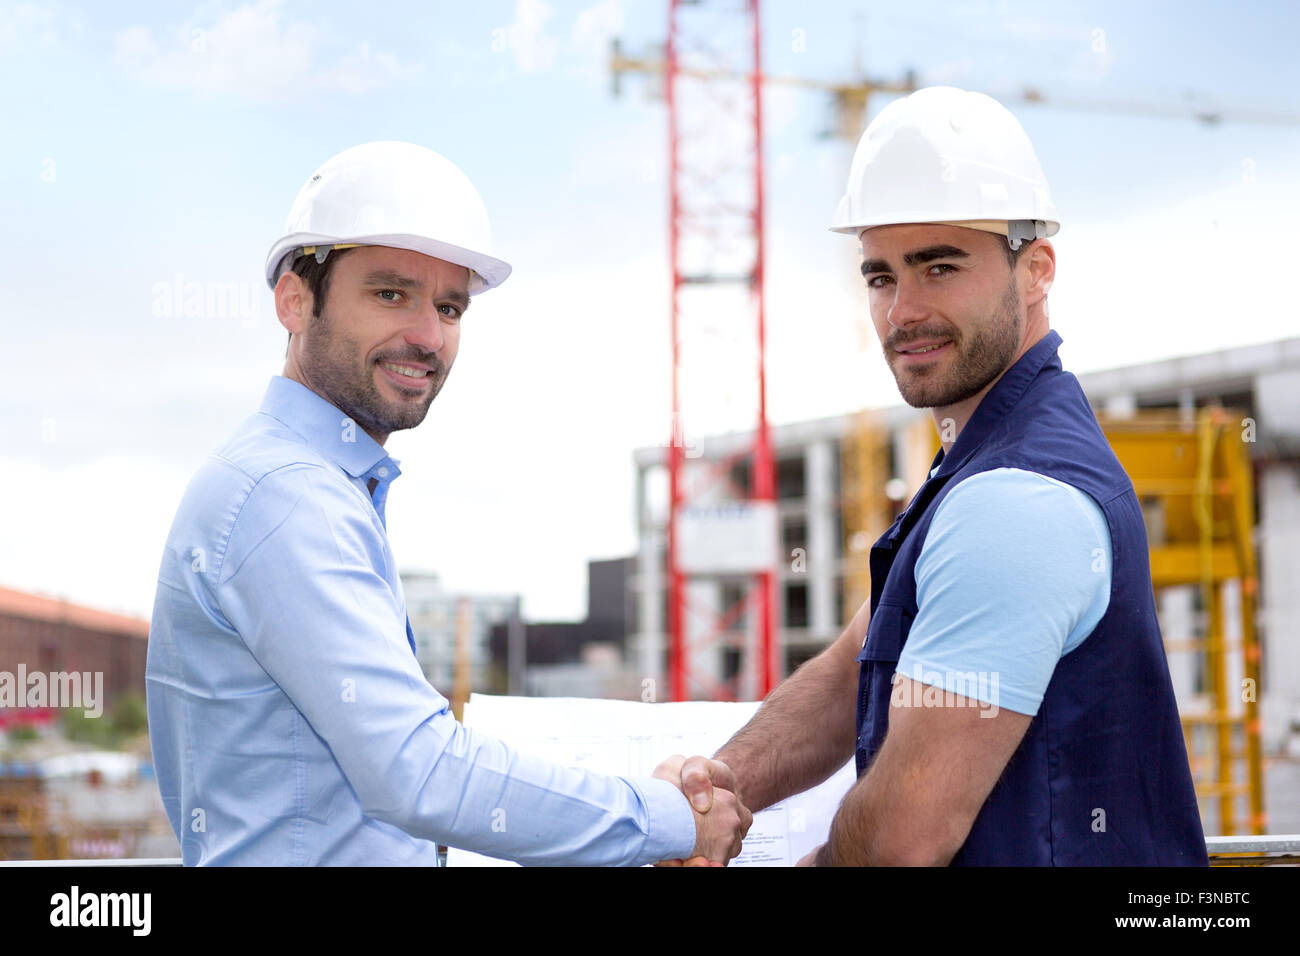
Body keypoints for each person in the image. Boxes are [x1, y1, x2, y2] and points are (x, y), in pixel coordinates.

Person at [144, 141, 751, 866]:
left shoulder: (310, 484)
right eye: (390, 293)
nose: (428, 336)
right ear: (294, 300)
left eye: (450, 306)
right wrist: (668, 820)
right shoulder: (285, 495)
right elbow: (417, 771)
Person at [665, 87, 1207, 866]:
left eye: (939, 266)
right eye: (881, 277)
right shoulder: (977, 461)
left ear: (1036, 271)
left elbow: (897, 844)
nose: (900, 312)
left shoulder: (1017, 499)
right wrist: (715, 785)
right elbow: (851, 669)